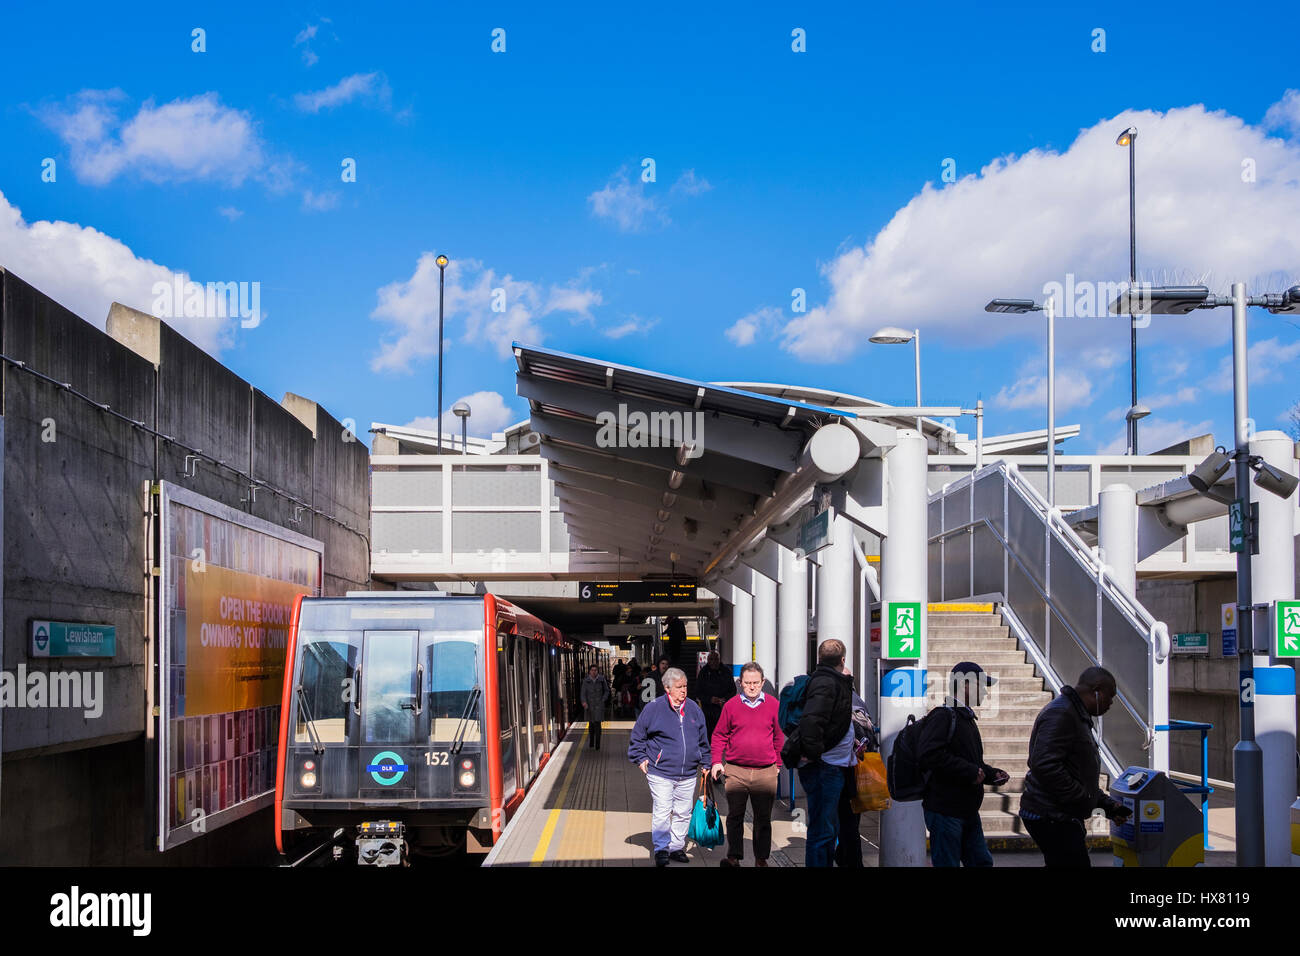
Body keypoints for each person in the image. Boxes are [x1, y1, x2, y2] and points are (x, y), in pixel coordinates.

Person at [1019, 666, 1132, 867]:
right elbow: (1044, 764)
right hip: (1052, 816)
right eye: (1110, 696)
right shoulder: (1062, 714)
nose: (1111, 703)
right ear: (1097, 690)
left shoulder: (1075, 715)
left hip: (1056, 814)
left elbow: (1077, 774)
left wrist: (1106, 805)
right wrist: (1082, 798)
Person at [918, 662, 1009, 867]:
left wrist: (991, 774)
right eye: (981, 685)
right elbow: (929, 755)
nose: (985, 692)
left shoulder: (965, 717)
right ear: (965, 685)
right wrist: (969, 771)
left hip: (966, 809)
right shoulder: (943, 716)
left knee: (981, 862)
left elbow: (970, 760)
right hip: (945, 810)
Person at [628, 667, 710, 866]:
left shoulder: (693, 709)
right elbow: (637, 736)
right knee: (663, 811)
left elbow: (702, 739)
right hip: (661, 772)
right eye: (679, 687)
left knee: (683, 812)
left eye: (685, 686)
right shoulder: (654, 708)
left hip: (689, 773)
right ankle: (662, 849)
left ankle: (676, 847)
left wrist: (706, 761)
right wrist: (640, 758)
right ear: (667, 688)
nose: (684, 691)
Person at [710, 662, 783, 867]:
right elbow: (719, 736)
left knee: (763, 819)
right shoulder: (731, 706)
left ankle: (761, 859)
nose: (752, 687)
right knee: (735, 816)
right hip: (736, 770)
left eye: (756, 683)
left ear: (763, 682)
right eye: (747, 683)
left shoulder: (773, 705)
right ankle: (734, 856)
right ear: (740, 683)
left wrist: (778, 764)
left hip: (765, 771)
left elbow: (779, 737)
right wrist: (716, 761)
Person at [793, 639, 855, 868]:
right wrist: (814, 753)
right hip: (824, 767)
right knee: (822, 831)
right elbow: (811, 722)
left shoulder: (832, 681)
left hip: (832, 765)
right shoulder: (827, 683)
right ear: (842, 660)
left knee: (828, 828)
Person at [835, 689, 874, 867]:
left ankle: (844, 858)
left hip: (839, 771)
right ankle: (846, 858)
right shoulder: (859, 703)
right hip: (853, 773)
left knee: (842, 825)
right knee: (850, 824)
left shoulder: (833, 701)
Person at [696, 650, 737, 737]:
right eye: (711, 659)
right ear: (708, 660)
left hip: (724, 709)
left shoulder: (726, 671)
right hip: (708, 711)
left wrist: (724, 699)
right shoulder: (703, 673)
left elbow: (733, 690)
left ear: (719, 659)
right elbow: (698, 692)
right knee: (709, 733)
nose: (713, 662)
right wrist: (710, 699)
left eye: (716, 659)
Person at [580, 664, 611, 750]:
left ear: (597, 671)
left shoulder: (601, 680)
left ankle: (597, 744)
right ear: (589, 671)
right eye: (592, 670)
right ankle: (591, 741)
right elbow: (583, 693)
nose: (594, 672)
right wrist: (584, 702)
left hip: (599, 706)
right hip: (589, 706)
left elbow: (607, 691)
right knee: (591, 725)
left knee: (598, 724)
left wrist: (603, 699)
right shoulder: (586, 681)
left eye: (595, 670)